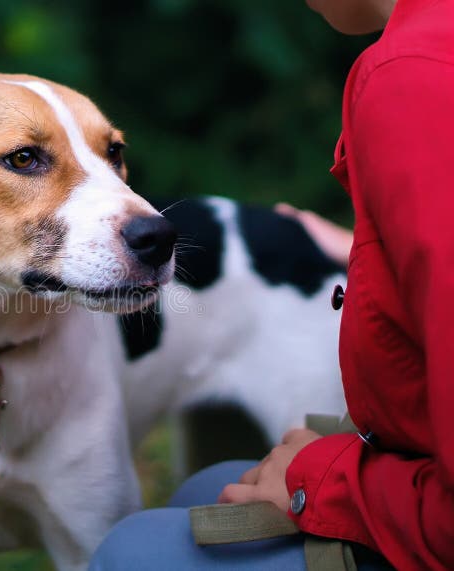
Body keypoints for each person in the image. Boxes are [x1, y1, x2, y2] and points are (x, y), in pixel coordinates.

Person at [90, 0, 454, 568]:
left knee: (130, 552)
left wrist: (328, 484)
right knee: (206, 489)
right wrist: (374, 254)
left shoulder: (415, 76)